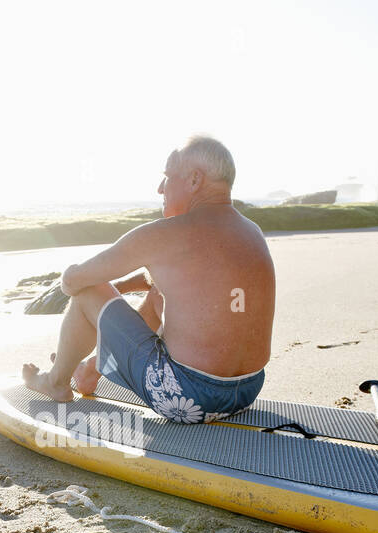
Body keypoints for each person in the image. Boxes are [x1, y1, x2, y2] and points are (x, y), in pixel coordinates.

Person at [21, 134, 275, 423]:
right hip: (247, 390)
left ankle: (55, 381)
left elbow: (75, 282)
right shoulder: (252, 232)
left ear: (194, 180)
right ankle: (89, 371)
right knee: (157, 296)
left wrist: (80, 282)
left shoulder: (165, 234)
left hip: (187, 397)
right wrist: (123, 288)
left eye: (167, 176)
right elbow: (191, 287)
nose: (159, 188)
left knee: (88, 290)